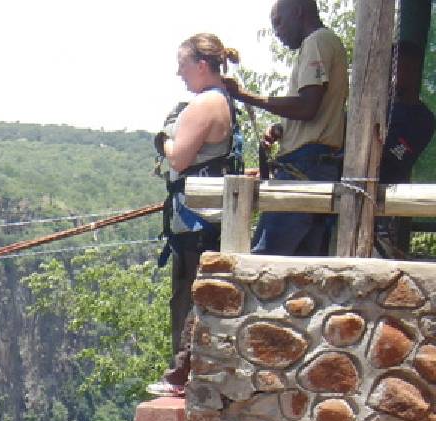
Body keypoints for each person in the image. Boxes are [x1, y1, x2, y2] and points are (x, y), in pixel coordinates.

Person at [147, 34, 240, 398]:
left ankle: (180, 376)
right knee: (194, 296)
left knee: (189, 297)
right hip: (210, 219)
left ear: (202, 65)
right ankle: (188, 374)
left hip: (197, 220)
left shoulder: (206, 104)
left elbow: (179, 158)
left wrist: (164, 140)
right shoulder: (225, 100)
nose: (178, 72)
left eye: (183, 65)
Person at [226, 0, 348, 256]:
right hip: (318, 166)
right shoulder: (326, 42)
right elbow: (314, 110)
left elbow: (307, 107)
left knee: (261, 262)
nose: (277, 31)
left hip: (304, 168)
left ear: (298, 11)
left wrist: (245, 96)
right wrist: (285, 128)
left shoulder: (317, 41)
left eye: (278, 22)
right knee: (302, 269)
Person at [377, 41, 435, 257]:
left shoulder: (423, 119)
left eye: (397, 66)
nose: (391, 73)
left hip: (389, 201)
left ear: (412, 70)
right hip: (356, 195)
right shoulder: (377, 105)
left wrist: (380, 143)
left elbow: (398, 155)